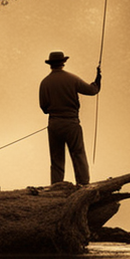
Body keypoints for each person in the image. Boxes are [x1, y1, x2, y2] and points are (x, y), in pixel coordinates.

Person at [38, 51, 101, 185]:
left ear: (50, 65)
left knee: (56, 159)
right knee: (78, 154)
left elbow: (44, 108)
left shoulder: (45, 82)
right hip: (71, 123)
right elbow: (92, 91)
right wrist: (97, 80)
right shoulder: (72, 79)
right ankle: (83, 185)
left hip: (54, 124)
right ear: (63, 63)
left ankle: (56, 186)